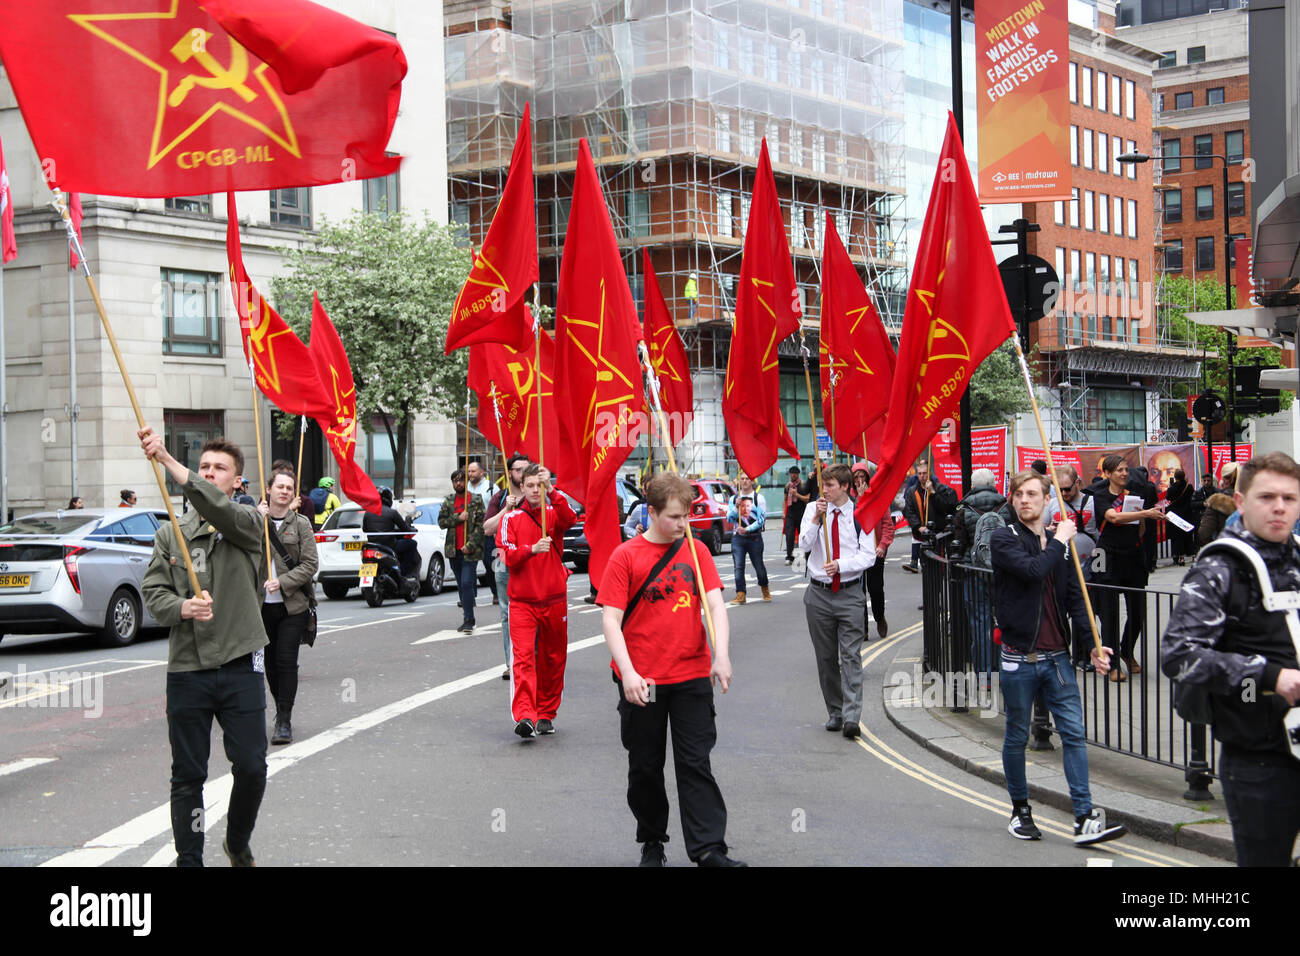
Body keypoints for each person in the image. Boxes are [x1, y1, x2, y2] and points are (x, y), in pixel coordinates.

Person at [1161, 452, 1300, 867]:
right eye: (1267, 497)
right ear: (1240, 502)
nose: (1279, 507)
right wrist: (1270, 676)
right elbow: (1179, 654)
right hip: (1260, 756)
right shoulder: (1219, 568)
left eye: (1290, 498)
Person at [138, 427, 267, 867]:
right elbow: (153, 594)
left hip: (239, 662)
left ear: (236, 482)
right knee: (188, 775)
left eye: (219, 469)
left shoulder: (248, 524)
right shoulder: (170, 535)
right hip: (188, 669)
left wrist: (169, 461)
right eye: (204, 466)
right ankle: (189, 860)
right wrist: (183, 607)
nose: (210, 473)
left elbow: (216, 507)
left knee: (251, 766)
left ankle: (236, 839)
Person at [598, 473, 741, 867]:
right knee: (645, 766)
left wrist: (721, 654)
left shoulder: (697, 551)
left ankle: (709, 849)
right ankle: (652, 841)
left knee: (696, 763)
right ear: (651, 512)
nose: (683, 524)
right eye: (675, 517)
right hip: (644, 679)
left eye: (687, 516)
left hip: (691, 674)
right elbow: (610, 620)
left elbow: (715, 606)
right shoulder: (625, 556)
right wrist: (628, 672)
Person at [990, 469, 1127, 847]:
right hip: (1019, 658)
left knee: (1074, 734)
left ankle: (1084, 817)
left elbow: (1074, 600)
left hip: (1057, 659)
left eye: (1032, 494)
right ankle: (1020, 810)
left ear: (1047, 499)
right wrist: (1062, 541)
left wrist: (1093, 645)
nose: (1024, 500)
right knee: (1017, 735)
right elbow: (1033, 571)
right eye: (1018, 494)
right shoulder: (1004, 538)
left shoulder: (1058, 544)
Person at [498, 464, 578, 738]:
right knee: (523, 659)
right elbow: (505, 554)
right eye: (530, 485)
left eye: (539, 486)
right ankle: (525, 716)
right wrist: (531, 549)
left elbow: (571, 519)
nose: (535, 490)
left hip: (555, 599)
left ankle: (546, 713)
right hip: (522, 602)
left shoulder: (554, 512)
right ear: (521, 487)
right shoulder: (511, 518)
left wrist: (553, 490)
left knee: (553, 658)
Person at [799, 464, 876, 739]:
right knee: (826, 657)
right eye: (823, 485)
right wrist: (815, 520)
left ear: (845, 486)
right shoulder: (813, 509)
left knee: (851, 656)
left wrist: (841, 565)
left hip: (849, 593)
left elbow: (868, 556)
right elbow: (804, 545)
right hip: (818, 594)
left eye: (830, 485)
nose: (825, 491)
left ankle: (852, 716)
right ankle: (836, 711)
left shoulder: (860, 513)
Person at [257, 470, 318, 747]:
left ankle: (284, 719)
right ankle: (279, 706)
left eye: (289, 488)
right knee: (269, 665)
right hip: (261, 606)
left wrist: (282, 582)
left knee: (286, 661)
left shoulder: (301, 524)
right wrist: (256, 521)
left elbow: (310, 564)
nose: (284, 491)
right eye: (279, 486)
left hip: (293, 606)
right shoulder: (255, 521)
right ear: (268, 489)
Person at [1092, 455, 1165, 682]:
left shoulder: (1134, 495)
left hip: (1133, 556)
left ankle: (1126, 649)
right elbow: (1113, 517)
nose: (1124, 474)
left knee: (1138, 611)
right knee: (1110, 612)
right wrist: (1146, 513)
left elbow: (1140, 529)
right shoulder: (1100, 495)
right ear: (1107, 474)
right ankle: (1112, 664)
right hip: (1108, 557)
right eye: (1119, 470)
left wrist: (1143, 519)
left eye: (1126, 469)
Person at [1044, 465, 1100, 667]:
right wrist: (1048, 530)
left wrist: (1100, 566)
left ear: (1077, 483)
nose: (1064, 493)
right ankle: (1064, 654)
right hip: (1062, 567)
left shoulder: (1092, 502)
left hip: (1090, 565)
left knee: (1086, 612)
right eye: (1059, 490)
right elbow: (1040, 529)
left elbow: (1103, 531)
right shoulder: (1052, 504)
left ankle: (1084, 656)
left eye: (1067, 489)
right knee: (1059, 613)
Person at [484, 453, 530, 679]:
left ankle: (532, 659)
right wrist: (506, 509)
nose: (523, 473)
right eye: (518, 469)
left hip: (531, 562)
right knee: (507, 613)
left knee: (534, 611)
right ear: (509, 473)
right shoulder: (500, 497)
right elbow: (488, 528)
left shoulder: (536, 496)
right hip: (504, 562)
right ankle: (512, 663)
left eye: (526, 469)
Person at [438, 469, 485, 634]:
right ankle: (467, 613)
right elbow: (441, 522)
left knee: (466, 582)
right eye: (455, 481)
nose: (458, 483)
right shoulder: (448, 501)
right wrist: (458, 518)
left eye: (461, 480)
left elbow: (481, 525)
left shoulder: (476, 500)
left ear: (467, 482)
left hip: (470, 551)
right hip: (453, 550)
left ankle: (469, 620)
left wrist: (470, 545)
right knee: (461, 585)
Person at [850, 462, 893, 640]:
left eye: (863, 477)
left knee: (875, 589)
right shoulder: (849, 500)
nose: (860, 481)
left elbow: (887, 525)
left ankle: (879, 617)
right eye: (856, 478)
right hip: (856, 553)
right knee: (858, 592)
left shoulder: (878, 497)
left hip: (875, 552)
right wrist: (859, 500)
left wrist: (883, 545)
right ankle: (863, 628)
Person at [364, 485, 420, 592]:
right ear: (388, 498)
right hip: (388, 545)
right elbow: (405, 528)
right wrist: (412, 529)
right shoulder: (392, 512)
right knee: (412, 544)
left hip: (372, 546)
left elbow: (365, 529)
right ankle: (403, 573)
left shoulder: (368, 512)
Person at [902, 458, 957, 563]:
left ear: (929, 473)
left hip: (937, 533)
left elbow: (944, 508)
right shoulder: (911, 492)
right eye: (920, 474)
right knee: (925, 564)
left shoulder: (940, 488)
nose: (922, 476)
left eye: (924, 473)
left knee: (938, 564)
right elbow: (909, 511)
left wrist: (932, 492)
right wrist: (919, 527)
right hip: (921, 534)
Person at [726, 473, 769, 605]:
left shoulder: (758, 498)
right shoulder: (734, 498)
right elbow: (729, 519)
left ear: (752, 481)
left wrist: (748, 529)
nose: (744, 481)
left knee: (759, 566)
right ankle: (741, 594)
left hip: (754, 537)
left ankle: (764, 586)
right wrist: (736, 507)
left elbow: (761, 519)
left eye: (747, 479)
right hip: (738, 538)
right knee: (738, 566)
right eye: (742, 479)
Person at [465, 460, 499, 606]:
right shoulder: (465, 487)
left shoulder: (492, 488)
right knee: (469, 565)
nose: (470, 474)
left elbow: (499, 508)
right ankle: (470, 597)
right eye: (469, 471)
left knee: (490, 564)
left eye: (473, 471)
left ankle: (496, 593)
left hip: (487, 532)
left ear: (481, 472)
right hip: (470, 533)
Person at [1201, 461, 1240, 543]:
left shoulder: (1216, 501)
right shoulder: (1249, 499)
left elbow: (1204, 533)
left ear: (1225, 480)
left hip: (1224, 544)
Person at [1164, 468, 1195, 565]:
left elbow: (1168, 498)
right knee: (1187, 535)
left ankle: (1180, 556)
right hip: (1187, 514)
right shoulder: (1189, 487)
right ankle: (1192, 554)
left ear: (1175, 477)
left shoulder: (1172, 488)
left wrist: (1170, 486)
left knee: (1177, 537)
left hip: (1175, 515)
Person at [782, 465, 811, 564]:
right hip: (790, 514)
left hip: (801, 513)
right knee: (789, 535)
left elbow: (807, 499)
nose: (793, 475)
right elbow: (785, 499)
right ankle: (789, 557)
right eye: (791, 474)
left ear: (798, 474)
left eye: (795, 474)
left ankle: (806, 555)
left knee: (803, 536)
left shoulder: (803, 485)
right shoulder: (787, 486)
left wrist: (796, 494)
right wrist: (783, 512)